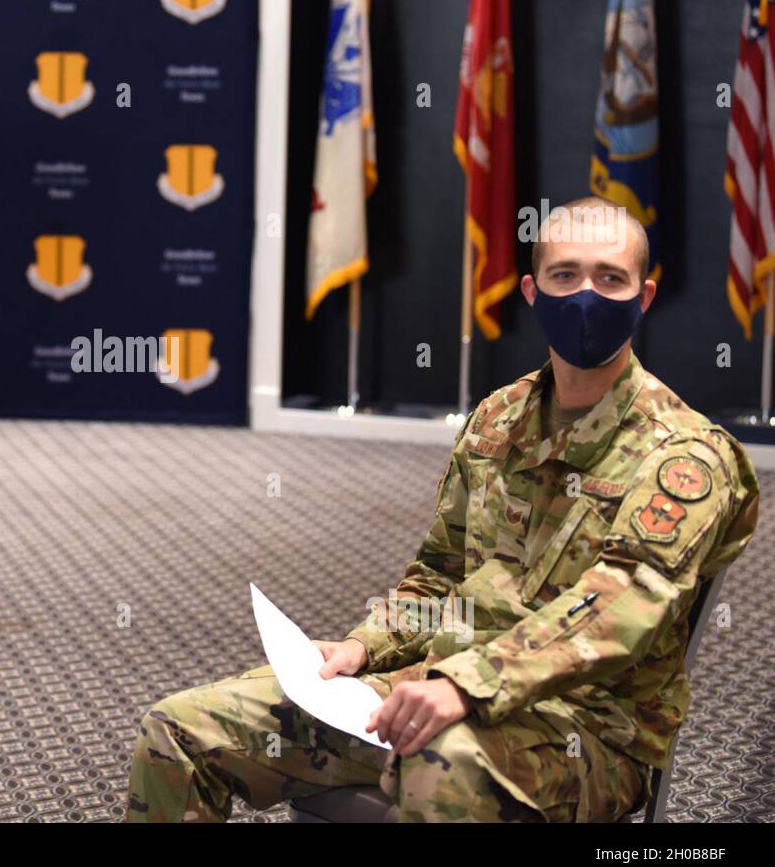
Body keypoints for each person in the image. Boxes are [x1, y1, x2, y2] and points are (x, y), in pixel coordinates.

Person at [126, 196, 759, 822]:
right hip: (435, 691)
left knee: (437, 767)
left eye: (609, 278)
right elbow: (439, 578)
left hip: (585, 733)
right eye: (565, 275)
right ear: (533, 292)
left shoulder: (686, 457)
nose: (586, 295)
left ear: (644, 297)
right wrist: (362, 647)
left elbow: (619, 614)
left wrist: (469, 684)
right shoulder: (496, 421)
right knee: (180, 730)